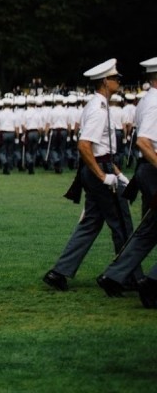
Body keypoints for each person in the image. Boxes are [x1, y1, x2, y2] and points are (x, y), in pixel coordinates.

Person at [43, 59, 135, 292]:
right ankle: (125, 276)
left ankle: (59, 272)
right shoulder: (98, 109)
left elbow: (101, 150)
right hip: (99, 171)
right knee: (122, 223)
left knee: (91, 223)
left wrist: (118, 174)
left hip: (102, 168)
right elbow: (85, 146)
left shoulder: (98, 105)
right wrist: (104, 177)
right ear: (105, 81)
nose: (119, 82)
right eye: (116, 78)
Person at [97, 56, 157, 302]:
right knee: (149, 230)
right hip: (154, 169)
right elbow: (143, 141)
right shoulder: (154, 102)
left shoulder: (148, 100)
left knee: (149, 231)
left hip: (147, 170)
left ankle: (115, 275)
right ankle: (152, 285)